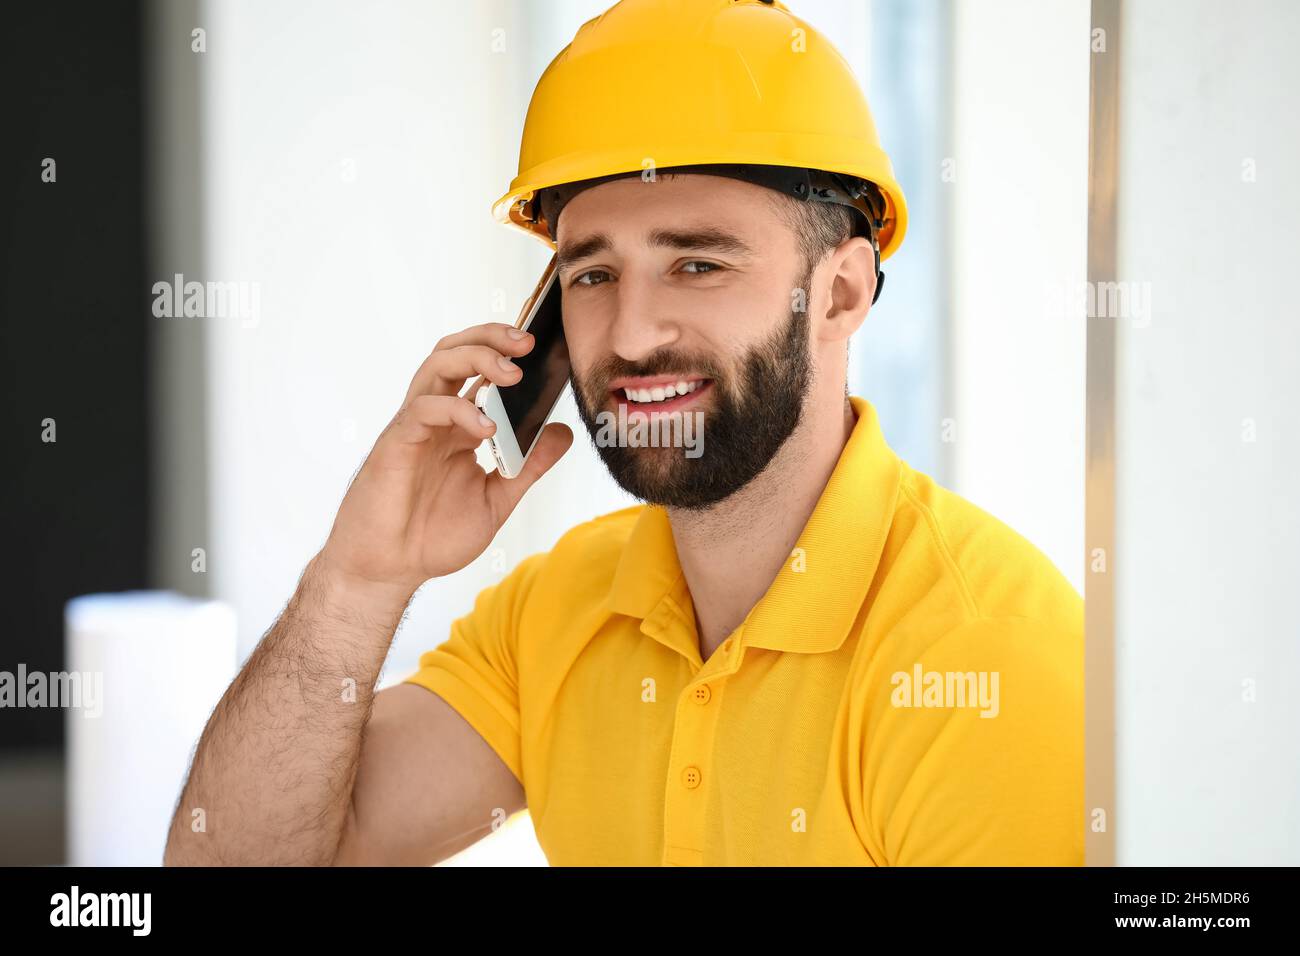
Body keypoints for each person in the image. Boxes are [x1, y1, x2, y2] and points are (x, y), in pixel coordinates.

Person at [164, 0, 1082, 867]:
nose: (633, 336)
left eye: (697, 262)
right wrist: (359, 579)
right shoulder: (559, 612)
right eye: (593, 275)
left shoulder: (985, 659)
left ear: (838, 293)